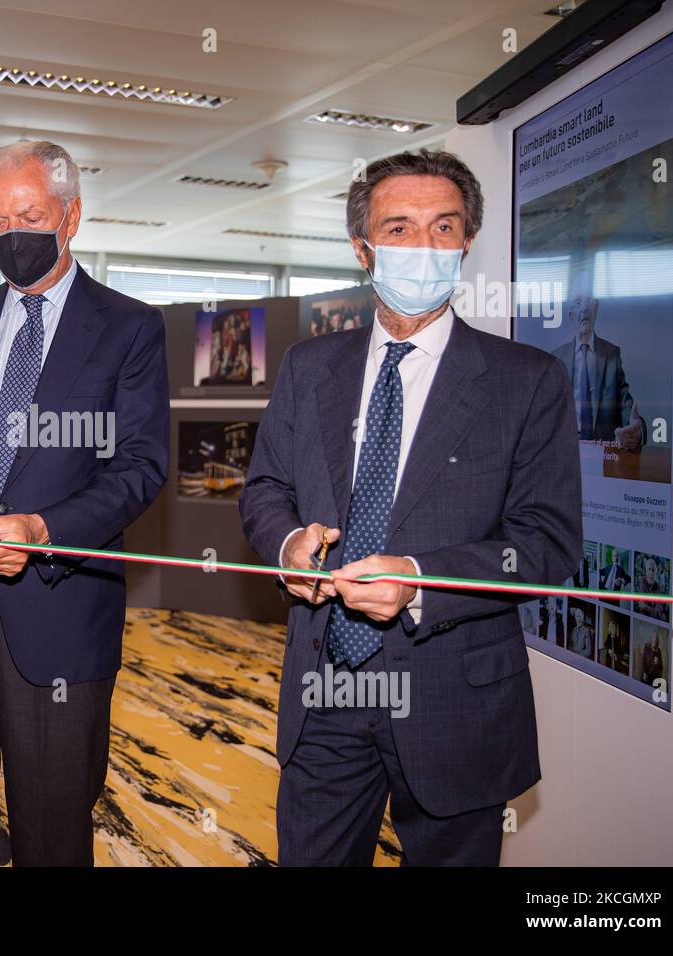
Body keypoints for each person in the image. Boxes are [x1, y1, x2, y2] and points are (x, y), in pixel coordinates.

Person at [240, 148, 582, 866]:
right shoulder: (309, 368)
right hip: (324, 686)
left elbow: (547, 547)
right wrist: (288, 543)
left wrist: (420, 577)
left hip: (456, 701)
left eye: (443, 227)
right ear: (363, 248)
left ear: (466, 242)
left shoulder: (527, 382)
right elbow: (265, 489)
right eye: (398, 228)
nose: (422, 247)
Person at [0, 140, 169, 866]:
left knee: (52, 832)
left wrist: (45, 528)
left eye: (29, 215)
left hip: (62, 618)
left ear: (70, 215)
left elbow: (140, 467)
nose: (10, 235)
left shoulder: (130, 328)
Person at [551, 269, 645, 449]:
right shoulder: (557, 358)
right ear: (571, 315)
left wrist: (636, 430)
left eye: (589, 301)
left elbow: (627, 408)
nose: (584, 308)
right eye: (578, 302)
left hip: (604, 453)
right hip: (566, 450)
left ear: (596, 307)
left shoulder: (612, 355)